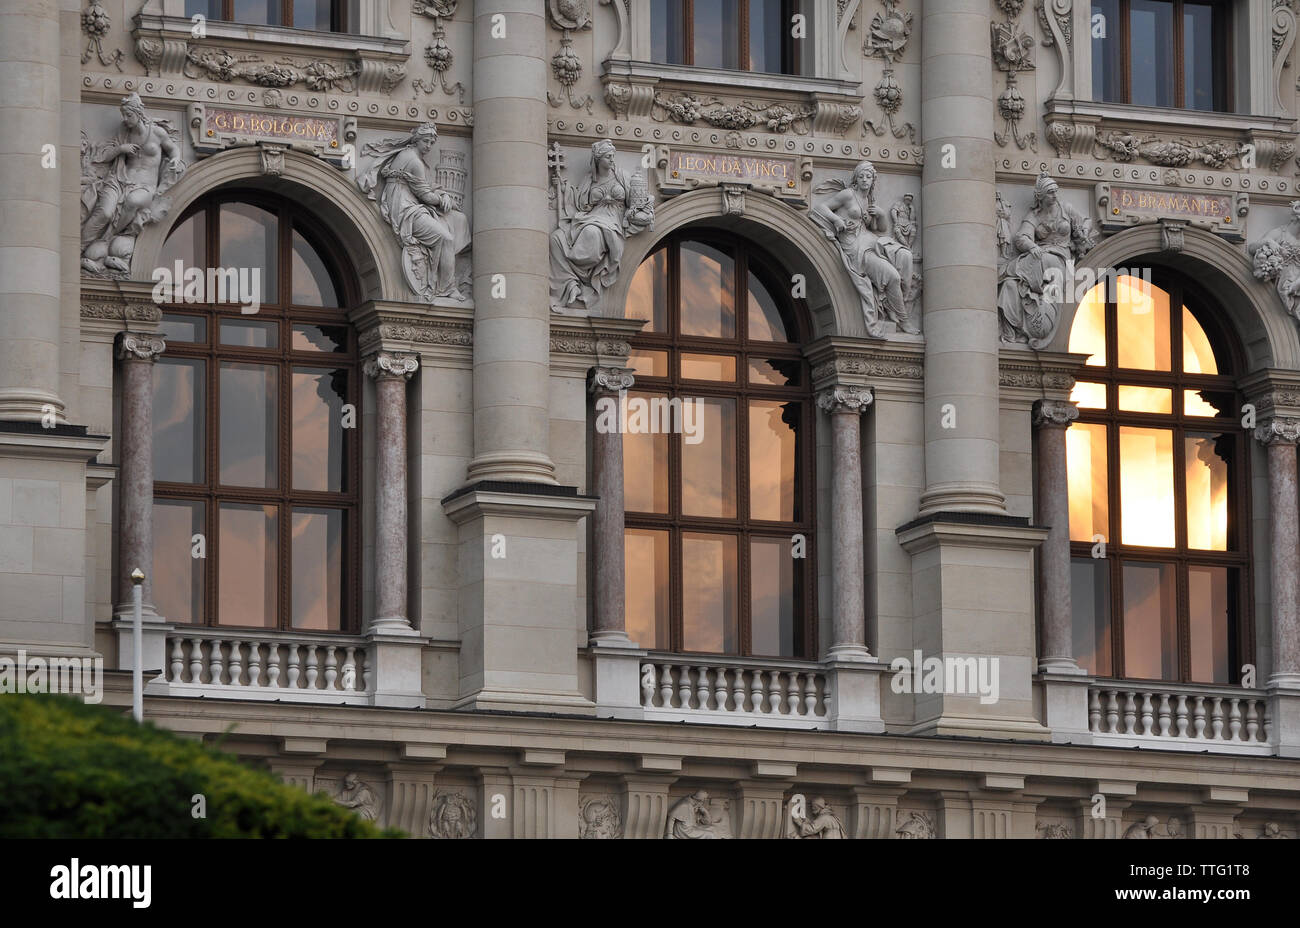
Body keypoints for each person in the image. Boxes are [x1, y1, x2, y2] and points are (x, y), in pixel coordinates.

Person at [358, 123, 470, 300]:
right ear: (416, 140)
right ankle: (446, 288)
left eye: (431, 142)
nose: (428, 146)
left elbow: (424, 187)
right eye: (425, 141)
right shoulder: (414, 161)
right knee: (446, 238)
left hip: (409, 202)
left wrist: (442, 195)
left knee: (459, 218)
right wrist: (443, 199)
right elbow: (425, 195)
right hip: (405, 208)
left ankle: (446, 269)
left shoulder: (409, 154)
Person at [80, 93, 184, 275]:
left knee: (133, 202)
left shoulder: (157, 133)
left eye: (129, 115)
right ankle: (79, 247)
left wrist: (176, 159)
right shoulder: (123, 132)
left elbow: (173, 148)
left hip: (145, 186)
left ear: (138, 113)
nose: (126, 119)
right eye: (124, 115)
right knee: (104, 212)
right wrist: (121, 149)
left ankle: (108, 237)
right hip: (119, 180)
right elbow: (103, 157)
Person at [811, 160, 917, 336]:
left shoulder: (868, 199)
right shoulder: (848, 194)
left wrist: (881, 214)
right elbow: (821, 207)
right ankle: (903, 319)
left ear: (873, 180)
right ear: (856, 179)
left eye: (868, 176)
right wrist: (836, 220)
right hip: (854, 245)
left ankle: (899, 301)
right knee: (892, 277)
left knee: (905, 254)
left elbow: (880, 229)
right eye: (861, 176)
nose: (865, 180)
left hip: (869, 239)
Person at [549, 139, 653, 314]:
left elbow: (637, 201)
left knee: (591, 232)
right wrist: (563, 187)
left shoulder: (622, 176)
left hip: (612, 222)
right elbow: (579, 203)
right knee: (556, 238)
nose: (612, 160)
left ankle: (584, 278)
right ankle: (571, 284)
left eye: (612, 156)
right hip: (591, 217)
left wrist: (638, 211)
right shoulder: (590, 179)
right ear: (598, 160)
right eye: (608, 157)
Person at [996, 170, 1095, 348]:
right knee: (1011, 279)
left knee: (1040, 266)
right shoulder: (1035, 216)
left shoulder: (1066, 209)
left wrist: (1083, 231)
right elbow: (1021, 237)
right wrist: (1032, 246)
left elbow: (1087, 221)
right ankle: (1021, 290)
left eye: (1055, 190)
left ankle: (1014, 281)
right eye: (1050, 192)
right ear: (1041, 196)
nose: (1055, 195)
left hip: (1060, 257)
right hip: (1040, 254)